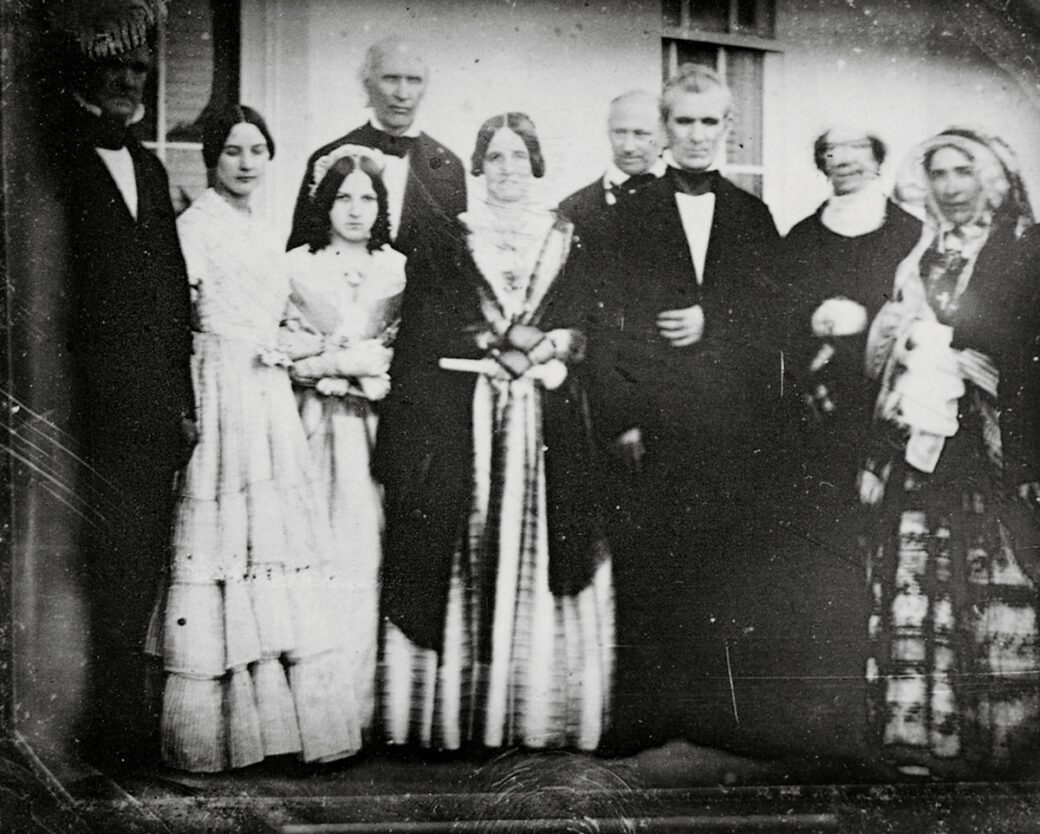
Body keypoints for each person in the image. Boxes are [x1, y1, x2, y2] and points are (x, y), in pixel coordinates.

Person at [375, 112, 613, 752]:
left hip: (544, 418)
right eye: (496, 157)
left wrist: (546, 345)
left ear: (536, 164)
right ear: (478, 165)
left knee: (546, 541)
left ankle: (532, 712)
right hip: (469, 413)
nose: (508, 169)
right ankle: (465, 717)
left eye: (519, 157)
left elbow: (588, 318)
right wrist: (496, 342)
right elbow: (426, 325)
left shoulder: (568, 237)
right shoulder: (449, 237)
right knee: (464, 539)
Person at [145, 106, 363, 772]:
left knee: (275, 541)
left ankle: (279, 727)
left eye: (258, 150)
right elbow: (174, 318)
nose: (246, 163)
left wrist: (295, 347)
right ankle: (215, 732)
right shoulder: (192, 228)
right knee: (223, 543)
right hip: (218, 389)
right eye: (233, 151)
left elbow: (285, 314)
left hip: (268, 395)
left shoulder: (269, 231)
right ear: (212, 157)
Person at [585, 64, 782, 753]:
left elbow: (774, 320)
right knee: (647, 566)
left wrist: (713, 320)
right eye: (684, 121)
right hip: (653, 424)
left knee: (724, 566)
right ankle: (645, 716)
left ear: (727, 127)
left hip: (730, 427)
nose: (697, 135)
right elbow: (603, 326)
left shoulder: (753, 217)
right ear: (665, 128)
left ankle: (722, 719)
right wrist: (623, 419)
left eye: (709, 122)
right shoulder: (626, 215)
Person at [860, 127, 1040, 778]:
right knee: (924, 578)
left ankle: (999, 740)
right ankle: (926, 735)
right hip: (924, 441)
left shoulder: (1025, 249)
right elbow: (891, 351)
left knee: (990, 581)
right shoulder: (922, 254)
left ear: (992, 178)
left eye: (964, 171)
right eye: (938, 173)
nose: (951, 186)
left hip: (997, 447)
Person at [48, 1, 197, 766]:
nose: (129, 81)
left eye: (139, 68)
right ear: (86, 68)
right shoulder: (53, 159)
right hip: (74, 408)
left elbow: (170, 296)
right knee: (86, 567)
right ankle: (83, 732)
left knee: (136, 564)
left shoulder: (148, 165)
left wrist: (183, 405)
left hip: (148, 412)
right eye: (115, 66)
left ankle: (122, 728)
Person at [283, 147, 407, 737]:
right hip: (311, 426)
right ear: (323, 204)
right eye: (343, 197)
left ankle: (361, 715)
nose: (356, 210)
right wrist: (329, 362)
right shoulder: (296, 266)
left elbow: (406, 350)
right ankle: (313, 716)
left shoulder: (398, 268)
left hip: (376, 430)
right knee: (313, 558)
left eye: (367, 198)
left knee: (367, 560)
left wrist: (361, 363)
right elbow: (283, 347)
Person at [781, 127, 921, 550]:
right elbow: (780, 316)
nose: (844, 159)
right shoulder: (801, 236)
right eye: (831, 151)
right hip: (819, 401)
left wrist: (869, 319)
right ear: (821, 163)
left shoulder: (912, 234)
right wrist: (813, 321)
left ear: (877, 159)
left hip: (887, 400)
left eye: (857, 148)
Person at [286, 36, 466, 259]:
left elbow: (455, 262)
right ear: (367, 84)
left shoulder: (447, 165)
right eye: (391, 79)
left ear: (425, 88)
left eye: (414, 80)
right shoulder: (330, 157)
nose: (402, 94)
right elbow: (302, 252)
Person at [558, 89, 665, 235]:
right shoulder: (573, 209)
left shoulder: (687, 195)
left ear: (665, 135)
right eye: (620, 133)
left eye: (640, 134)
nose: (628, 147)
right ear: (608, 133)